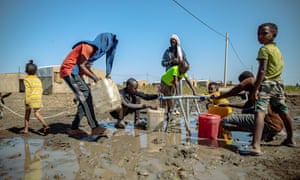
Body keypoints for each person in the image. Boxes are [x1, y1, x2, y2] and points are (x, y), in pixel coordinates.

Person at [60, 33, 118, 137]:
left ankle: (74, 128)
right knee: (86, 96)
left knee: (84, 98)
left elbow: (85, 67)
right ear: (105, 42)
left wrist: (95, 77)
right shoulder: (89, 47)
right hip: (70, 70)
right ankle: (94, 127)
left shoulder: (93, 50)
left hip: (75, 72)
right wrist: (94, 78)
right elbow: (82, 66)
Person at [250, 23, 296, 155]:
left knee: (260, 111)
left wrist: (255, 89)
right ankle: (290, 139)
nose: (260, 36)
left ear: (273, 35)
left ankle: (255, 146)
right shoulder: (277, 50)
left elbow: (262, 70)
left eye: (264, 33)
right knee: (283, 111)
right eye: (258, 33)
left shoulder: (264, 50)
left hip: (267, 84)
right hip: (279, 84)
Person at [215, 71, 284, 142]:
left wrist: (217, 97)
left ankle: (260, 132)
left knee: (224, 121)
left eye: (242, 82)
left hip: (270, 123)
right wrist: (228, 105)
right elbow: (247, 105)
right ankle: (265, 133)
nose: (244, 88)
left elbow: (234, 91)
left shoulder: (251, 80)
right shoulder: (257, 88)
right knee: (245, 111)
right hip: (278, 125)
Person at [19, 60, 49, 135]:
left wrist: (27, 101)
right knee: (36, 113)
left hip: (30, 99)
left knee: (27, 113)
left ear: (26, 71)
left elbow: (28, 91)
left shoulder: (26, 80)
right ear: (35, 71)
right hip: (38, 98)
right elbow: (40, 89)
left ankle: (26, 129)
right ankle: (44, 124)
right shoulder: (38, 80)